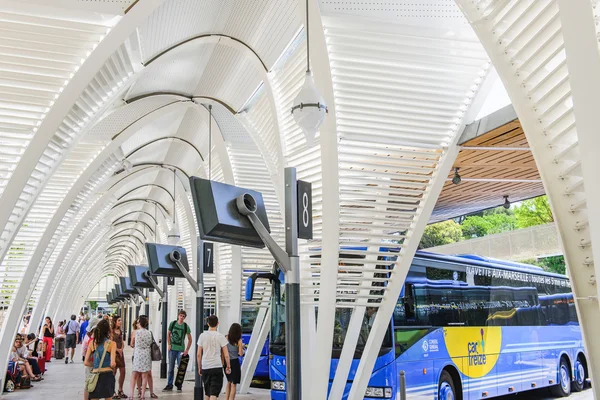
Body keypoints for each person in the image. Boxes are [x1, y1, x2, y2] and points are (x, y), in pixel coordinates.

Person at [198, 315, 231, 400]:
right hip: (216, 366)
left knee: (207, 393)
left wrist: (199, 367)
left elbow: (198, 354)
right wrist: (228, 366)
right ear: (218, 323)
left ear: (208, 324)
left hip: (205, 366)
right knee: (214, 393)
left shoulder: (202, 336)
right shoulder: (220, 336)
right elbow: (226, 354)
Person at [85, 319, 116, 400]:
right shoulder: (112, 344)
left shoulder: (92, 343)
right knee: (108, 397)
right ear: (108, 330)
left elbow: (86, 362)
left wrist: (96, 365)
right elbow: (112, 364)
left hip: (95, 375)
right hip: (107, 375)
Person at [164, 310, 192, 391]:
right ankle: (169, 384)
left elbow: (190, 339)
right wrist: (169, 344)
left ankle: (179, 384)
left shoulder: (186, 326)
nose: (182, 317)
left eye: (183, 316)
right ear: (178, 316)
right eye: (181, 316)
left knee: (181, 369)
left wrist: (187, 350)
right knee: (171, 368)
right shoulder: (172, 324)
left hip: (181, 350)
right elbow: (168, 334)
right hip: (172, 349)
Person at [130, 315, 157, 399]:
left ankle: (131, 395)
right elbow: (150, 343)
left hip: (138, 354)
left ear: (139, 323)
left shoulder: (136, 332)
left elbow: (131, 344)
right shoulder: (149, 333)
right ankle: (142, 396)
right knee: (145, 376)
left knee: (134, 375)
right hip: (146, 355)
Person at [224, 323, 244, 400]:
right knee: (234, 384)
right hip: (234, 362)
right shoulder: (239, 340)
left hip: (226, 362)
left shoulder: (226, 337)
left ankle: (226, 399)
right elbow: (240, 353)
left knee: (229, 382)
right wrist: (241, 347)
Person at [111, 316, 128, 399]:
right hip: (114, 354)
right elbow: (110, 342)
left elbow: (122, 341)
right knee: (113, 373)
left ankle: (120, 389)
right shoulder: (111, 331)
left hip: (121, 354)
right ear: (115, 322)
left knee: (123, 371)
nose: (120, 322)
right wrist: (117, 349)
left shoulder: (120, 331)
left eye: (120, 320)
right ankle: (112, 391)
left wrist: (121, 348)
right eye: (119, 320)